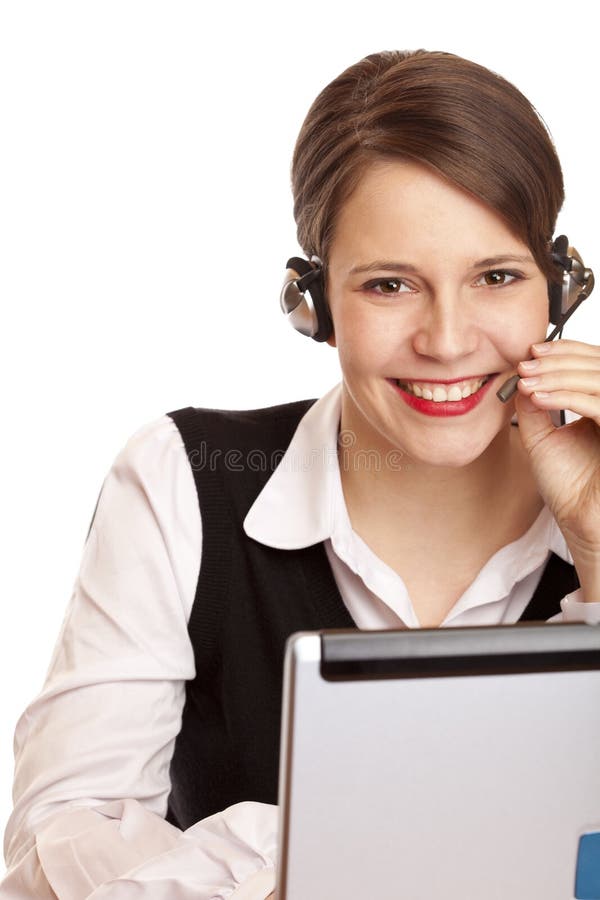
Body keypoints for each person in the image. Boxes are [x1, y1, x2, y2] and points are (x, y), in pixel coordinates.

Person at [2, 48, 599, 899]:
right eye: (391, 285)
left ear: (561, 288)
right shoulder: (187, 477)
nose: (448, 339)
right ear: (311, 305)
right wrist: (335, 846)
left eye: (497, 277)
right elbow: (53, 854)